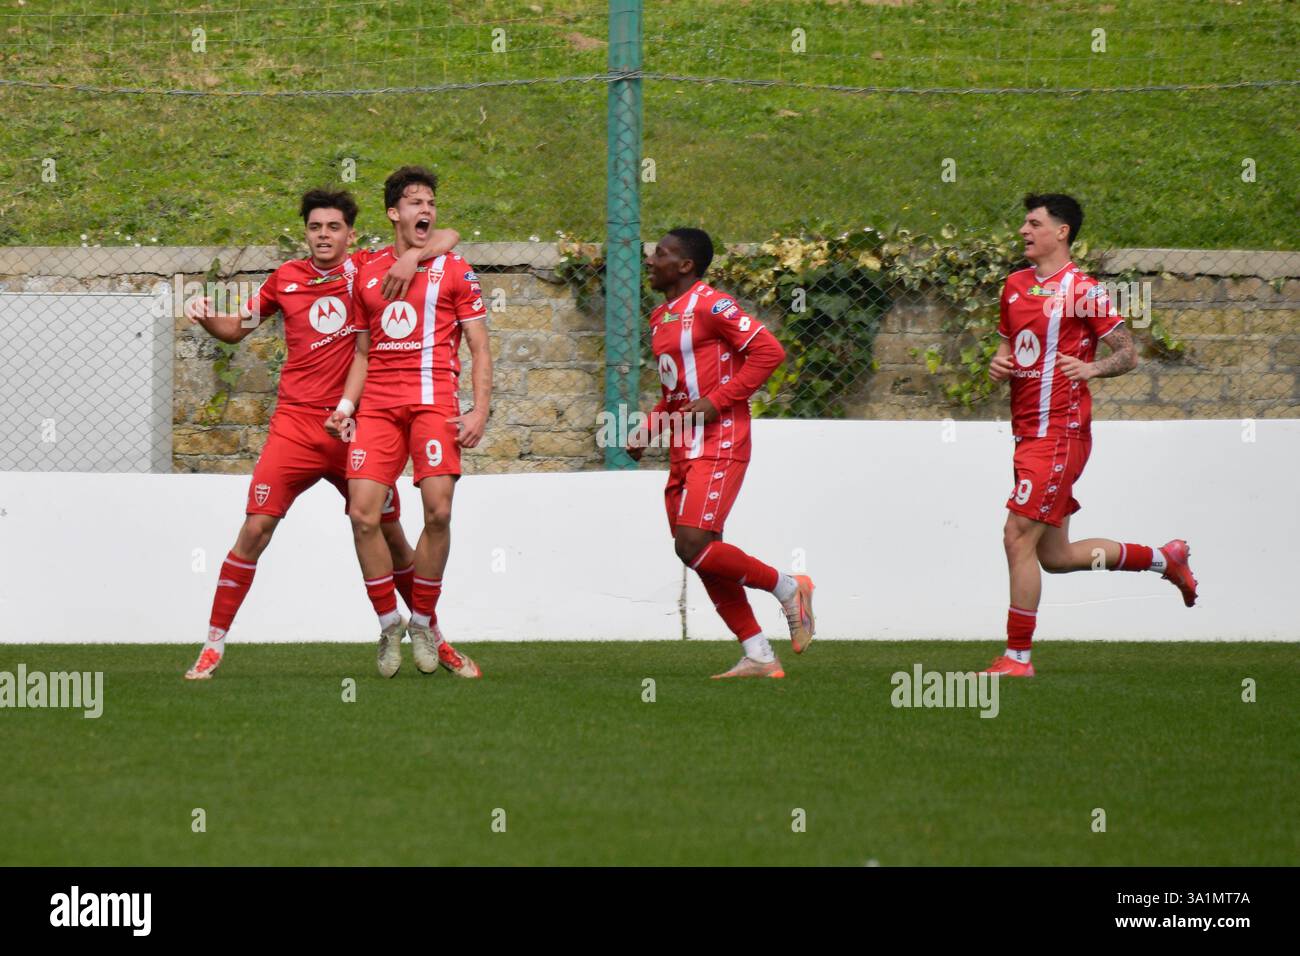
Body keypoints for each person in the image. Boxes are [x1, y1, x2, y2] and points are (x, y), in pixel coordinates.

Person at [184, 188, 461, 680]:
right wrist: (207, 317)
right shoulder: (284, 279)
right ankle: (212, 645)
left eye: (334, 228)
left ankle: (430, 633)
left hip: (357, 426)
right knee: (255, 528)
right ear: (306, 233)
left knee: (392, 537)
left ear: (350, 235)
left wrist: (415, 252)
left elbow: (446, 235)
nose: (324, 236)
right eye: (316, 227)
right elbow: (236, 329)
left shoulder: (366, 270)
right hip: (294, 427)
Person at [982, 193, 1198, 678]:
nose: (1024, 231)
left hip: (1061, 432)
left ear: (1061, 232)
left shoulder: (1084, 290)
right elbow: (1006, 349)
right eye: (1024, 223)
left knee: (1016, 536)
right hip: (1027, 433)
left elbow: (1127, 353)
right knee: (1054, 556)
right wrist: (998, 365)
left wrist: (1091, 367)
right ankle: (1164, 559)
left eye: (1034, 224)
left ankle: (1017, 659)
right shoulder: (1014, 286)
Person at [628, 227, 815, 679]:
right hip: (682, 449)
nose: (650, 261)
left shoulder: (713, 305)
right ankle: (758, 653)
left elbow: (769, 353)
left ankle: (790, 587)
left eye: (661, 254)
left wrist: (717, 401)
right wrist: (649, 428)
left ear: (685, 265)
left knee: (692, 543)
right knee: (698, 551)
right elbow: (675, 394)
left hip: (720, 441)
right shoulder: (661, 317)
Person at [327, 166, 490, 680]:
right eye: (414, 202)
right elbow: (361, 350)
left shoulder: (455, 269)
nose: (426, 210)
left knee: (438, 512)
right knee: (362, 515)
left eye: (431, 202)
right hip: (376, 407)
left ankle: (423, 621)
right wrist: (347, 407)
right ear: (394, 213)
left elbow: (481, 348)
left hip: (434, 403)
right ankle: (387, 623)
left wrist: (480, 409)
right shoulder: (364, 270)